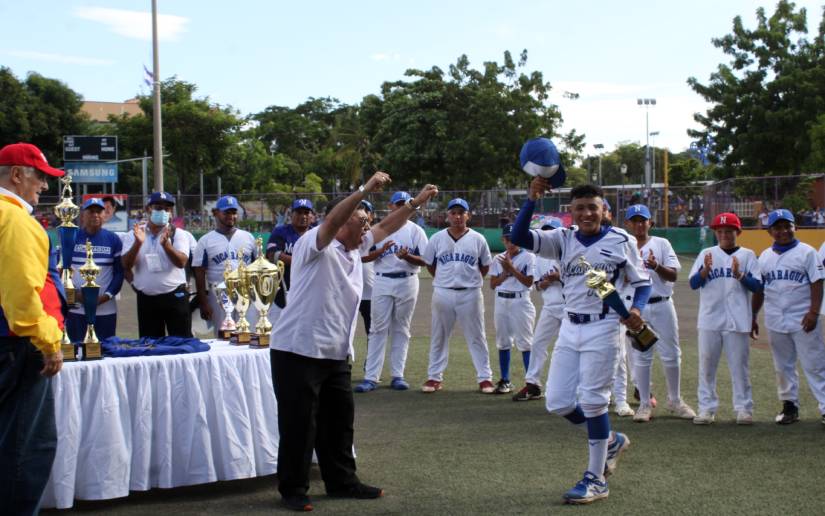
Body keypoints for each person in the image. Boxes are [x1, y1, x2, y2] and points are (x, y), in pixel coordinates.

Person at [269, 172, 437, 511]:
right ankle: (293, 490)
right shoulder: (314, 245)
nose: (366, 227)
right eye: (360, 219)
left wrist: (415, 203)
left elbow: (388, 226)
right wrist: (363, 190)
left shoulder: (355, 246)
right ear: (343, 219)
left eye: (367, 221)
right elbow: (331, 221)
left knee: (339, 423)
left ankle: (342, 481)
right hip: (296, 351)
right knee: (300, 425)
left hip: (335, 353)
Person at [510, 181, 647, 504]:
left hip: (604, 326)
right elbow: (518, 237)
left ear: (604, 210)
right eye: (580, 208)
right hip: (570, 327)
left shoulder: (621, 240)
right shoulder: (562, 239)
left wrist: (637, 309)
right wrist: (531, 200)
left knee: (594, 401)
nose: (586, 213)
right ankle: (611, 439)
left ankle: (596, 478)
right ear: (570, 213)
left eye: (592, 207)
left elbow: (641, 283)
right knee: (557, 401)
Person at [0, 142, 66, 514]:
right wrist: (48, 341)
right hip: (19, 345)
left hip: (7, 344)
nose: (43, 185)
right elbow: (23, 297)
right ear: (17, 175)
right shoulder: (13, 219)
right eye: (39, 176)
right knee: (26, 450)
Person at [623, 204, 696, 422]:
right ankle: (645, 404)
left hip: (663, 304)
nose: (638, 224)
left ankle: (675, 400)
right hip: (638, 307)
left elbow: (673, 276)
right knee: (642, 355)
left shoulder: (662, 244)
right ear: (627, 224)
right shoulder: (624, 246)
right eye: (634, 220)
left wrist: (656, 266)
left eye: (642, 220)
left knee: (671, 354)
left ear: (650, 223)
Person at [752, 209, 825, 425]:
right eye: (778, 227)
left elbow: (817, 283)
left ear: (795, 227)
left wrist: (813, 312)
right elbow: (759, 290)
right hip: (775, 319)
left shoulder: (807, 252)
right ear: (770, 231)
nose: (783, 231)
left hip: (803, 318)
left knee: (815, 364)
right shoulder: (765, 256)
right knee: (782, 366)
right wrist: (753, 315)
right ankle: (789, 406)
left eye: (787, 226)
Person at [688, 212, 762, 425]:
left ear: (737, 232)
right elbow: (693, 284)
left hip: (738, 319)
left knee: (740, 366)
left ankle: (744, 409)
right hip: (710, 319)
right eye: (720, 231)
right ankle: (706, 409)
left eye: (729, 231)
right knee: (706, 366)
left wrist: (740, 275)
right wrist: (704, 272)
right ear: (715, 233)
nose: (724, 235)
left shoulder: (748, 255)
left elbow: (757, 286)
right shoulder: (706, 254)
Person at [354, 191, 429, 392]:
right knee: (377, 329)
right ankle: (371, 377)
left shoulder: (416, 231)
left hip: (407, 280)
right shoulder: (381, 229)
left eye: (405, 204)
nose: (401, 207)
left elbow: (426, 260)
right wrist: (379, 252)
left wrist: (408, 257)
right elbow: (362, 256)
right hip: (382, 280)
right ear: (391, 206)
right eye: (398, 204)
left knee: (401, 328)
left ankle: (398, 375)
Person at [421, 198, 496, 394]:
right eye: (453, 212)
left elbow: (485, 265)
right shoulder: (437, 238)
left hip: (470, 293)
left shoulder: (478, 238)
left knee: (477, 337)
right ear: (447, 216)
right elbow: (430, 263)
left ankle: (485, 378)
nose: (457, 216)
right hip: (443, 292)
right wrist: (442, 279)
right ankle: (434, 377)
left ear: (467, 215)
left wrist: (471, 280)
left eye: (461, 212)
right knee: (439, 336)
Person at [121, 192, 192, 338]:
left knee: (181, 345)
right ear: (148, 209)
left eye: (167, 209)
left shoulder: (178, 234)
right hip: (147, 299)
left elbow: (181, 262)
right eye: (158, 208)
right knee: (150, 348)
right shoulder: (134, 234)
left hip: (175, 297)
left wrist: (166, 245)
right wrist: (138, 243)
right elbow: (126, 265)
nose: (163, 212)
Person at [512, 222, 563, 402]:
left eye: (552, 232)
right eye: (545, 232)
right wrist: (546, 282)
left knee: (566, 349)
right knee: (538, 344)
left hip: (570, 307)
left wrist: (559, 278)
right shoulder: (538, 257)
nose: (548, 235)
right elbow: (537, 285)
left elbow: (581, 281)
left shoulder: (568, 252)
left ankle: (568, 389)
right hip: (550, 306)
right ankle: (532, 384)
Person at [193, 195, 258, 336]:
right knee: (223, 336)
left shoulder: (248, 237)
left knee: (247, 334)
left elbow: (256, 268)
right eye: (226, 212)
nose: (231, 216)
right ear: (216, 213)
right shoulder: (205, 241)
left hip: (245, 292)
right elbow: (199, 272)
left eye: (233, 212)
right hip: (218, 294)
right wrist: (203, 302)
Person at [66, 198, 124, 343]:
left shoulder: (113, 239)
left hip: (106, 308)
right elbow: (63, 271)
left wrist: (107, 296)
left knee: (106, 350)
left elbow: (119, 273)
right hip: (77, 308)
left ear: (104, 215)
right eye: (91, 212)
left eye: (99, 211)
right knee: (76, 349)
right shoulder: (71, 238)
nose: (95, 215)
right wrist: (75, 295)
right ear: (82, 215)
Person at [489, 224, 536, 394]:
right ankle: (505, 380)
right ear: (503, 240)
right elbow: (493, 285)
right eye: (507, 239)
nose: (511, 242)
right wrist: (504, 273)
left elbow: (529, 282)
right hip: (501, 301)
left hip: (521, 301)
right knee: (502, 342)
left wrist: (511, 269)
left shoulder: (529, 257)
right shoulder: (498, 258)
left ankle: (532, 383)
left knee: (525, 343)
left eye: (514, 238)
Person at [265, 199, 314, 327]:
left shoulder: (316, 233)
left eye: (306, 212)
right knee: (277, 334)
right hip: (282, 293)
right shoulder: (280, 231)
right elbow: (272, 255)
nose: (303, 216)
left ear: (312, 216)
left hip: (309, 293)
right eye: (298, 212)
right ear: (291, 214)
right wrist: (301, 261)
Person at [358, 200, 376, 335]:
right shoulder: (345, 233)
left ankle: (371, 357)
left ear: (372, 216)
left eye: (366, 211)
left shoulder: (377, 234)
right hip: (349, 290)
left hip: (370, 293)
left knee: (372, 329)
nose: (363, 214)